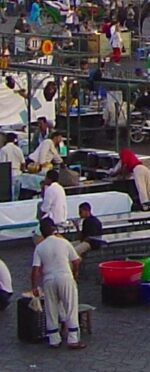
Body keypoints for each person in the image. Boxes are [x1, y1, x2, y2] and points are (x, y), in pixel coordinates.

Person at [31, 217, 84, 349]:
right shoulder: (64, 243)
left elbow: (35, 270)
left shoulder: (40, 247)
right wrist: (75, 273)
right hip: (65, 276)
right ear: (54, 229)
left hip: (48, 279)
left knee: (51, 309)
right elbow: (76, 261)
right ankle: (73, 339)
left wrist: (34, 287)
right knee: (70, 307)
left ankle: (54, 339)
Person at [1, 132, 25, 199]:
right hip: (18, 173)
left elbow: (3, 165)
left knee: (9, 196)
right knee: (16, 195)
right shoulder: (18, 149)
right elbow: (23, 163)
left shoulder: (3, 150)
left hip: (8, 174)